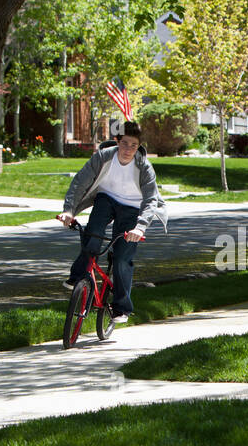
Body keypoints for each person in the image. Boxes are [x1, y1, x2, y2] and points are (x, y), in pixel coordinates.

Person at [57, 120, 167, 325]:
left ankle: (121, 308)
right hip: (106, 199)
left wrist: (140, 227)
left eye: (134, 145)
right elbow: (79, 183)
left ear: (139, 146)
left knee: (122, 258)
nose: (128, 149)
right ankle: (79, 277)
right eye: (125, 143)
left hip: (133, 208)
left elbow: (151, 200)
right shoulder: (103, 157)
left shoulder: (144, 166)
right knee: (92, 235)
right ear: (117, 141)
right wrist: (69, 210)